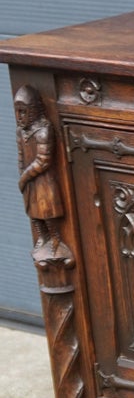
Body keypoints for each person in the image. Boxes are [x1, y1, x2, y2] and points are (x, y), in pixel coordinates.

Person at [14, 84, 69, 267]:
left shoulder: (43, 130)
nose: (20, 117)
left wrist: (25, 177)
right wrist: (21, 173)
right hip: (30, 181)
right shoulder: (21, 132)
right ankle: (42, 237)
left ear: (34, 111)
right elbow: (21, 156)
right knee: (33, 212)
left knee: (46, 211)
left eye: (24, 112)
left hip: (43, 181)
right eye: (18, 112)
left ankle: (55, 239)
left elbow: (43, 160)